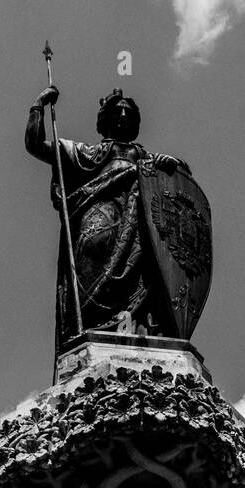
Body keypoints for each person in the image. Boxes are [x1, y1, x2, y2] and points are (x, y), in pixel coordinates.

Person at [25, 86, 190, 347]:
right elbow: (35, 145)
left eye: (128, 113)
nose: (123, 116)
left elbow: (181, 182)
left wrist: (171, 164)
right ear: (106, 119)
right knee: (90, 267)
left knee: (142, 279)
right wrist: (38, 107)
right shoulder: (87, 154)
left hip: (139, 226)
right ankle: (88, 331)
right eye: (117, 112)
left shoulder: (146, 158)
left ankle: (139, 334)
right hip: (99, 217)